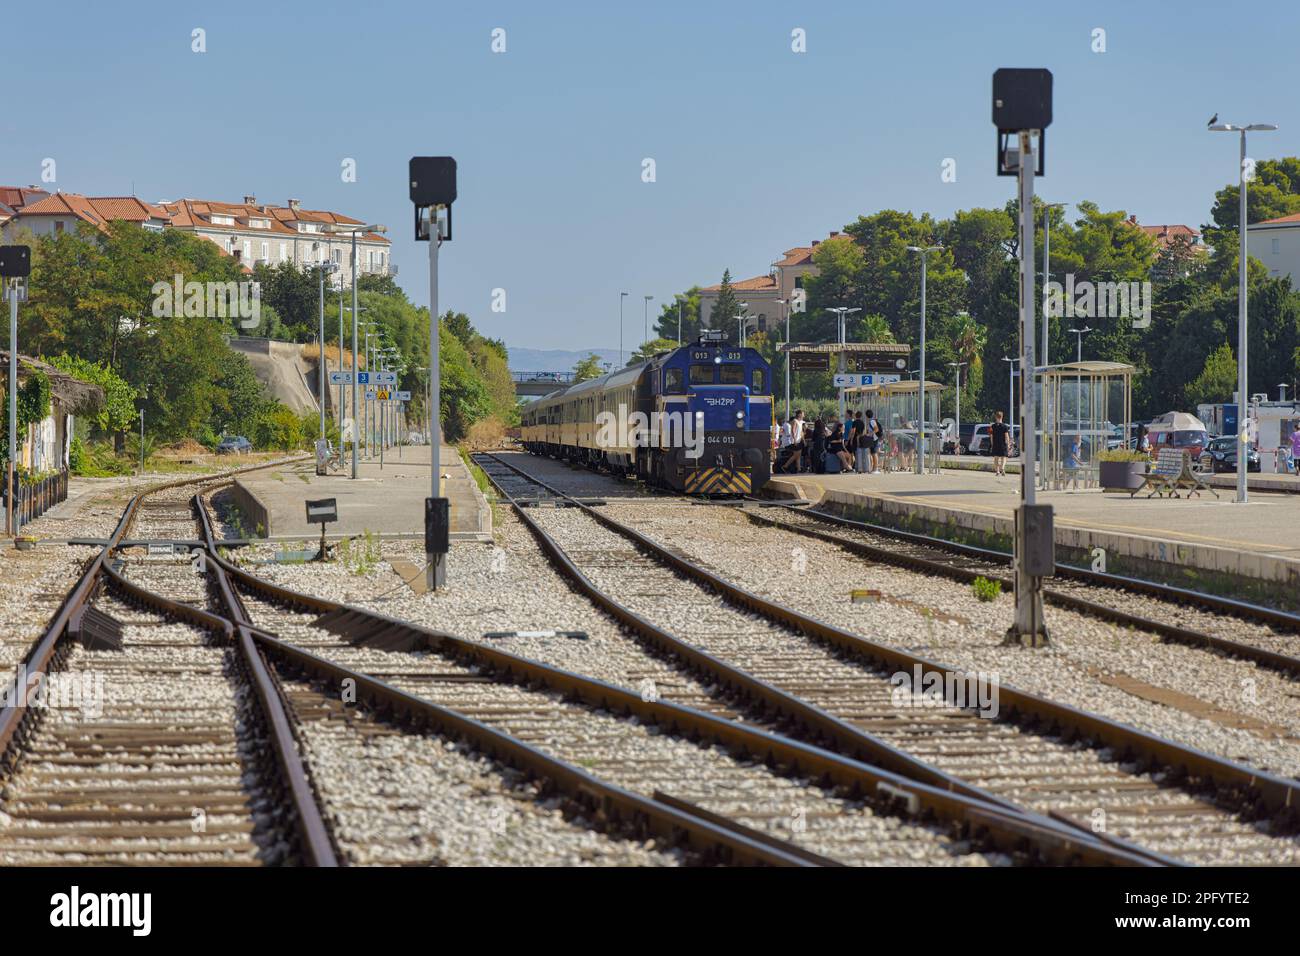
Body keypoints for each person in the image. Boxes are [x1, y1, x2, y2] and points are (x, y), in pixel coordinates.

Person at [990, 411, 1011, 477]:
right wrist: (1008, 444)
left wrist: (992, 444)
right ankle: (1002, 468)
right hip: (1003, 444)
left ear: (996, 417)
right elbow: (1007, 436)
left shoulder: (992, 426)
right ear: (1002, 417)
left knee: (996, 458)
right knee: (1003, 457)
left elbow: (991, 436)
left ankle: (997, 471)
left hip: (995, 444)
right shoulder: (1005, 426)